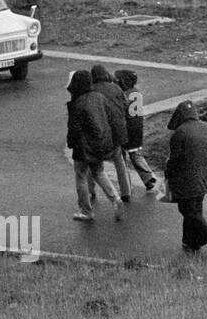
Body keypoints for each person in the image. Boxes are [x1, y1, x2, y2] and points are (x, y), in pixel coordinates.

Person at [66, 70, 122, 222]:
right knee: (98, 172)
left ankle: (86, 211)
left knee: (81, 176)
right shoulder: (99, 97)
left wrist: (70, 143)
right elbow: (110, 117)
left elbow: (74, 129)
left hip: (83, 148)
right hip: (100, 143)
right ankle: (115, 198)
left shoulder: (78, 104)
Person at [165, 100, 207, 254]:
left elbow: (174, 159)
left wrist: (169, 174)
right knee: (196, 208)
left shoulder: (180, 132)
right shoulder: (205, 127)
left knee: (187, 209)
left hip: (187, 178)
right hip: (205, 174)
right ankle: (190, 241)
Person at [90, 64, 132, 201]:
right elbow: (126, 105)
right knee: (119, 161)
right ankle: (126, 192)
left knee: (93, 162)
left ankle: (91, 191)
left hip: (101, 133)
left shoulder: (92, 90)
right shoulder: (116, 88)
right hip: (118, 131)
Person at [114, 69, 159, 193]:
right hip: (137, 127)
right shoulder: (137, 93)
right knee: (136, 155)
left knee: (121, 157)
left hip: (125, 128)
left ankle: (126, 185)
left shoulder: (122, 94)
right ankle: (148, 177)